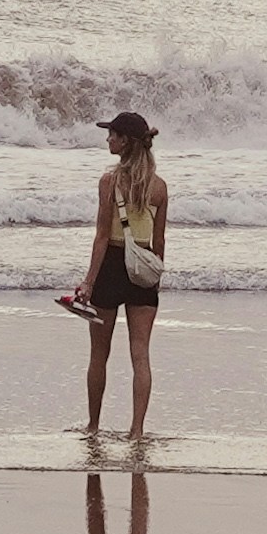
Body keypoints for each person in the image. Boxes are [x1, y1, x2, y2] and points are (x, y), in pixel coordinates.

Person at [66, 107, 166, 441]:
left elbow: (101, 236)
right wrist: (154, 280)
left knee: (99, 354)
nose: (108, 138)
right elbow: (159, 242)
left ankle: (93, 426)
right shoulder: (159, 187)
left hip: (112, 264)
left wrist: (88, 281)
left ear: (125, 142)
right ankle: (136, 431)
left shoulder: (110, 181)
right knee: (141, 356)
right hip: (144, 268)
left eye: (112, 134)